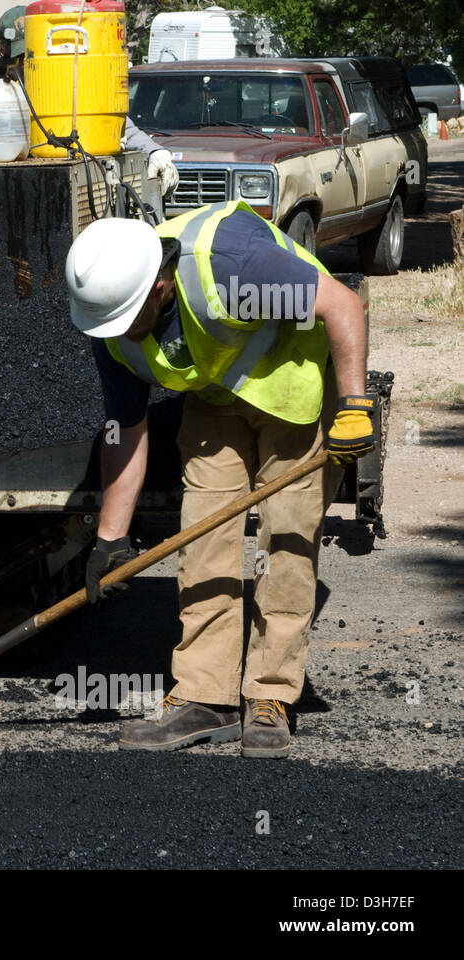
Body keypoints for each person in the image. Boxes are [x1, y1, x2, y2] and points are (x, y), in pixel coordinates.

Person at [64, 201, 374, 758]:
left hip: (295, 382)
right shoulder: (110, 321)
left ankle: (270, 695)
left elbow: (343, 304)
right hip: (216, 397)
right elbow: (127, 430)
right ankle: (205, 696)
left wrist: (354, 403)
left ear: (159, 286)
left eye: (130, 319)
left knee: (286, 540)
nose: (123, 335)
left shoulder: (230, 262)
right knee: (204, 536)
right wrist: (110, 538)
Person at [0, 6, 178, 203]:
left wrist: (154, 151)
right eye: (24, 57)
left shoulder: (68, 91)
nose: (31, 65)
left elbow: (117, 126)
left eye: (37, 55)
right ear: (1, 50)